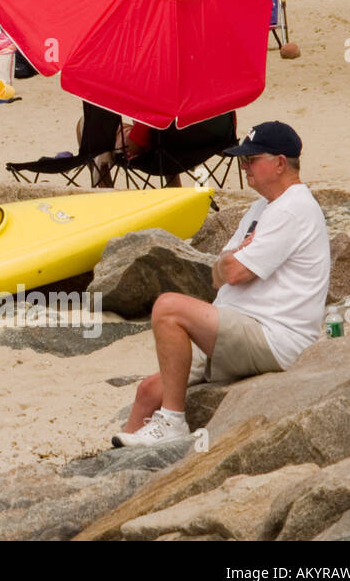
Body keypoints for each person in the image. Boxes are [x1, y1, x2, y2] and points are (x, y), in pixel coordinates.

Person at [113, 121, 329, 447]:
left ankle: (172, 423)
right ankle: (119, 466)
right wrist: (233, 261)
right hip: (239, 326)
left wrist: (233, 262)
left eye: (252, 159)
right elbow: (219, 273)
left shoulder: (294, 208)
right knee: (148, 391)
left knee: (168, 308)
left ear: (280, 163)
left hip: (274, 335)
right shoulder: (263, 207)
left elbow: (232, 273)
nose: (244, 167)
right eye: (243, 160)